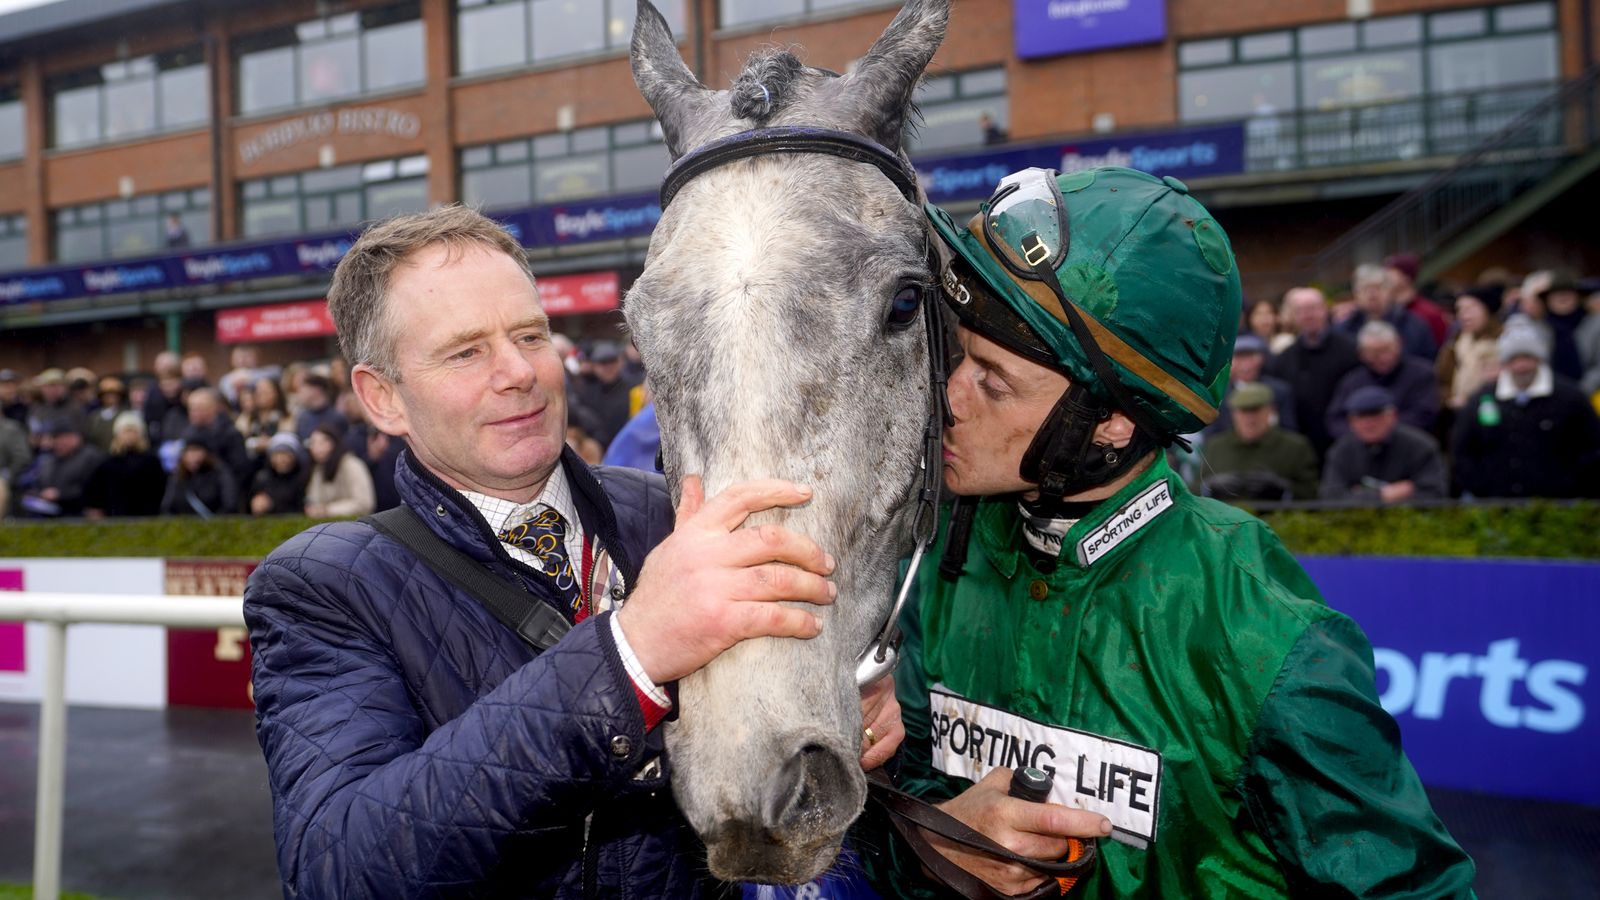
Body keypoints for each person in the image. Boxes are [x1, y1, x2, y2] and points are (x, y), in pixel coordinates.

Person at [244, 205, 899, 897]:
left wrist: (846, 691)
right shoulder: (321, 585)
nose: (518, 371)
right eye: (466, 352)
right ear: (383, 400)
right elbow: (338, 869)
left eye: (530, 334)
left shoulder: (674, 508)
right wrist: (630, 653)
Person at [861, 166, 1475, 898]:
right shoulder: (938, 557)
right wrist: (935, 840)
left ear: (1112, 422)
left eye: (992, 381)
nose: (949, 399)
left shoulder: (1263, 632)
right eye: (957, 353)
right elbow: (911, 815)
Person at [1452, 323, 1600, 499]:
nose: (1521, 366)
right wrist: (1482, 487)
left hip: (1560, 504)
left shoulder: (1571, 398)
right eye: (1514, 359)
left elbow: (1592, 447)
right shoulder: (1483, 398)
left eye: (1527, 358)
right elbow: (1462, 450)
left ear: (1539, 359)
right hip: (1495, 503)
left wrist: (1573, 485)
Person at [1268, 286, 1361, 460]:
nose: (1307, 315)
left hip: (1346, 440)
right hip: (1303, 444)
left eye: (1312, 308)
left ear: (1325, 309)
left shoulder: (1351, 349)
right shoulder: (1283, 360)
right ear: (1293, 316)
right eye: (1300, 311)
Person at [1319, 386, 1448, 504]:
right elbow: (1330, 498)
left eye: (1375, 415)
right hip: (1355, 524)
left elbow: (1435, 495)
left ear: (1393, 416)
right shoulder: (1342, 450)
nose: (1368, 424)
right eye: (1361, 416)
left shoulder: (1420, 446)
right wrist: (1383, 496)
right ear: (1350, 422)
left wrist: (1358, 496)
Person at [1196, 382, 1319, 501]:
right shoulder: (1216, 446)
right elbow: (1192, 491)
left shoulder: (1295, 447)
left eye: (1256, 411)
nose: (1250, 419)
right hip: (1224, 519)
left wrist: (1283, 489)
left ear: (1270, 411)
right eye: (1244, 411)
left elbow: (1313, 495)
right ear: (1234, 414)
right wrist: (1209, 486)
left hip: (1276, 519)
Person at [1325, 320, 1440, 440]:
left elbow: (1424, 414)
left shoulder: (1422, 374)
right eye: (1374, 353)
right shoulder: (1352, 381)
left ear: (1399, 345)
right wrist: (1363, 434)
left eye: (1387, 350)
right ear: (1361, 354)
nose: (1383, 358)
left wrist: (1381, 431)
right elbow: (1335, 420)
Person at [1338, 263, 1436, 361]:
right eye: (1365, 289)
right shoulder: (1344, 331)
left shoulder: (1414, 325)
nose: (1372, 295)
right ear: (1356, 294)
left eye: (1378, 288)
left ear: (1389, 291)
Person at [1205, 333, 1296, 436]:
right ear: (1230, 362)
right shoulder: (1218, 396)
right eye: (1239, 358)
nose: (1246, 365)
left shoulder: (1280, 391)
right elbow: (1212, 436)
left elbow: (1290, 431)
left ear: (1261, 359)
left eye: (1250, 357)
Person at [83, 411, 167, 518]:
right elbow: (94, 493)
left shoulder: (152, 462)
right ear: (117, 435)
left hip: (146, 518)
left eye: (133, 431)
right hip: (114, 519)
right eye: (126, 432)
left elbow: (160, 491)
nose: (129, 436)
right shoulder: (107, 463)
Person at [1436, 285, 1505, 413]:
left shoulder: (1505, 342)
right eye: (1460, 309)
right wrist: (1447, 398)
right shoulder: (1455, 342)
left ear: (1487, 309)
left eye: (1471, 308)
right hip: (1455, 411)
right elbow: (1441, 379)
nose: (1463, 314)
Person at [570, 339, 640, 448]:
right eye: (602, 363)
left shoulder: (634, 387)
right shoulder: (585, 392)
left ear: (620, 362)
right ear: (594, 366)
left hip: (630, 446)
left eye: (612, 361)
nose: (608, 367)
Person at [160, 428, 239, 517]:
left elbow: (230, 505)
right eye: (189, 451)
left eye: (197, 450)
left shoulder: (220, 473)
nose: (192, 456)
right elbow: (167, 508)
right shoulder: (178, 477)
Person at [302, 423, 376, 518]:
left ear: (333, 443)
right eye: (312, 443)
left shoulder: (352, 465)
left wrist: (328, 510)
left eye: (321, 442)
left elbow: (364, 503)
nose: (315, 447)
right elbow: (313, 498)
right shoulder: (318, 469)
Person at [1383, 253, 1450, 348]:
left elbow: (1442, 349)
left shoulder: (1429, 313)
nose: (1385, 276)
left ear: (1406, 277)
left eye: (1391, 272)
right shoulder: (1385, 311)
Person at [249, 432, 309, 516]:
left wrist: (272, 505)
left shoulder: (303, 478)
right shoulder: (262, 478)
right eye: (277, 454)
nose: (281, 459)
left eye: (286, 454)